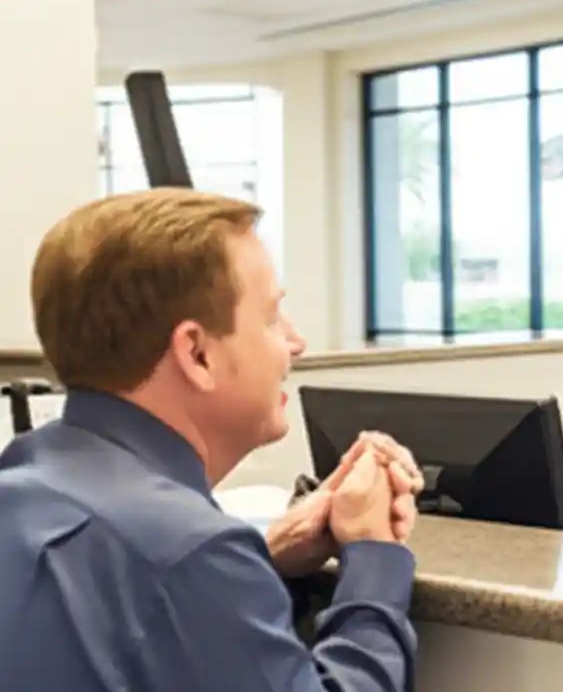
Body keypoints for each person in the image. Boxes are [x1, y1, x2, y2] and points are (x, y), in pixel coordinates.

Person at [0, 188, 427, 689]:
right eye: (270, 318)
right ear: (197, 354)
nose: (295, 342)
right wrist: (374, 556)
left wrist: (261, 560)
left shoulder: (21, 480)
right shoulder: (187, 553)